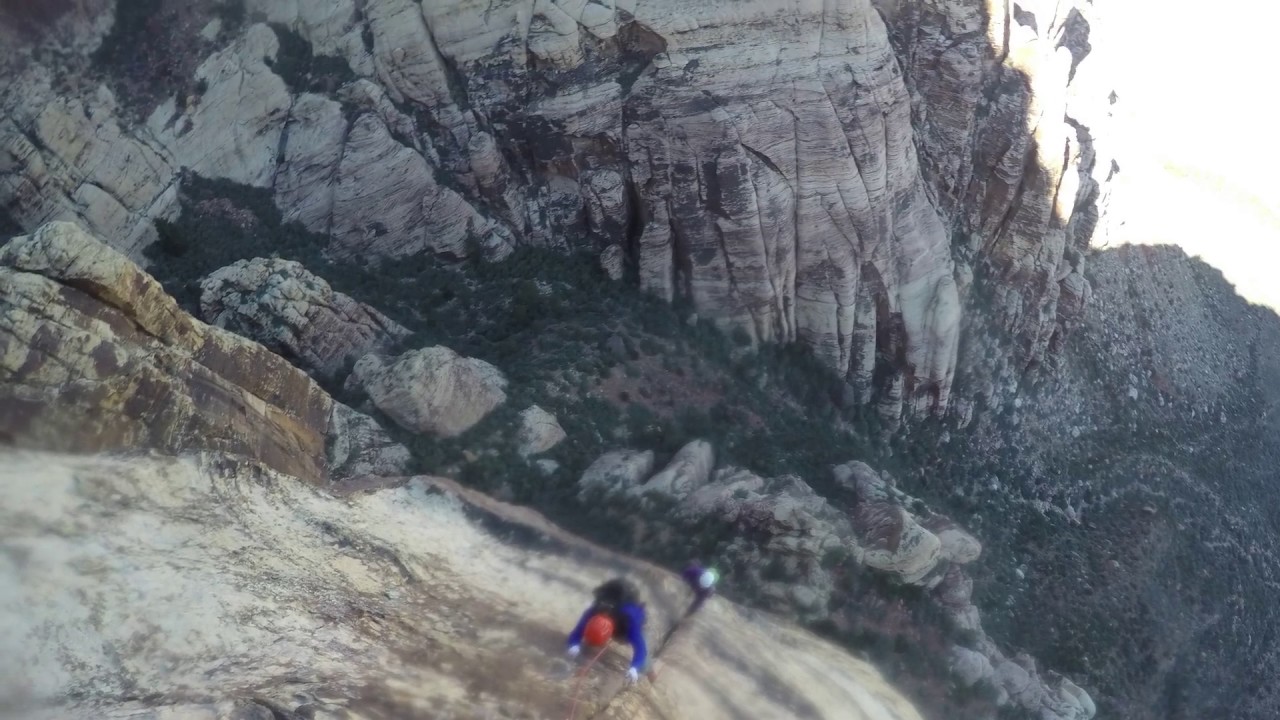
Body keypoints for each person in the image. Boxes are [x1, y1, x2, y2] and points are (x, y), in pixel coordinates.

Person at [566, 578, 648, 684]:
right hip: (615, 608)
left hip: (630, 621)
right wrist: (574, 645)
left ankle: (651, 674)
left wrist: (634, 668)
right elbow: (577, 631)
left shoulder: (630, 621)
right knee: (586, 647)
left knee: (645, 664)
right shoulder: (592, 612)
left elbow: (641, 649)